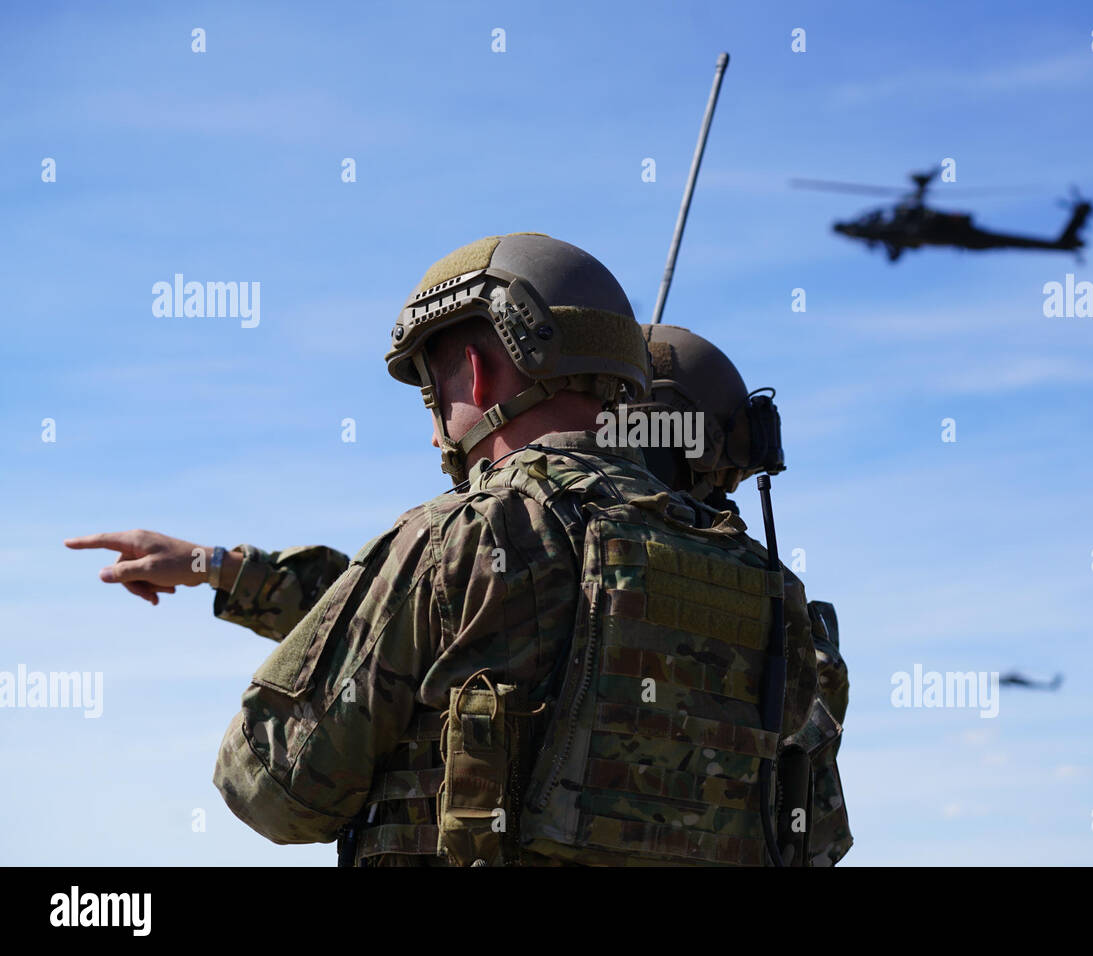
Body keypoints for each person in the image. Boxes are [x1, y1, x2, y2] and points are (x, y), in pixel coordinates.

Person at [67, 233, 824, 866]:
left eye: (433, 395)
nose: (436, 433)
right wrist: (222, 568)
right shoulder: (770, 594)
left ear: (474, 371)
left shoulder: (468, 532)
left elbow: (272, 788)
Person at [634, 323, 852, 866]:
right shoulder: (771, 597)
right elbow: (814, 838)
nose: (728, 496)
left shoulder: (521, 541)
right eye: (724, 477)